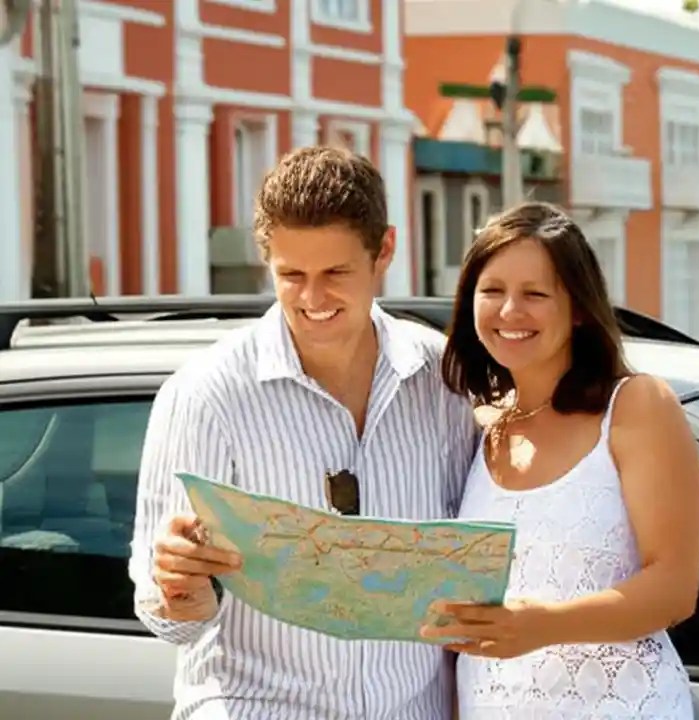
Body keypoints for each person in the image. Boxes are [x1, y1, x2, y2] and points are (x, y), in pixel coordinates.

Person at [127, 146, 479, 719]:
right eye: (291, 276)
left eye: (336, 273)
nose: (312, 299)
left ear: (384, 249)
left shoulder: (445, 380)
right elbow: (165, 615)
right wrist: (177, 588)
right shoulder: (206, 394)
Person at [420, 202, 699, 718]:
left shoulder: (636, 406)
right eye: (492, 291)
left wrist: (541, 625)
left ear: (577, 307)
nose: (510, 311)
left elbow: (675, 589)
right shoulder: (478, 429)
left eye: (535, 293)